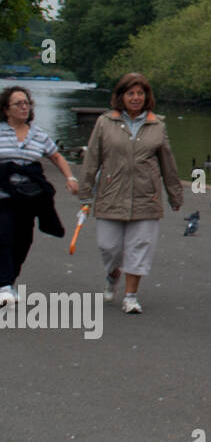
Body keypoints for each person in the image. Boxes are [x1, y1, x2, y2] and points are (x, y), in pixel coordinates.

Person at [78, 73, 183, 314]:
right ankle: (113, 273)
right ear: (121, 97)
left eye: (140, 93)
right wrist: (85, 194)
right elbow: (92, 158)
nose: (136, 98)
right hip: (111, 193)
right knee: (109, 247)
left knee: (140, 246)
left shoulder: (157, 124)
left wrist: (174, 195)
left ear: (146, 97)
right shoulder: (105, 122)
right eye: (130, 93)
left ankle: (131, 296)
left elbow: (168, 161)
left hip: (147, 196)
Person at [0, 87, 77, 306]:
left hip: (29, 197)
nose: (24, 107)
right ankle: (3, 285)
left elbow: (56, 156)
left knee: (23, 240)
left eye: (27, 103)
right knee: (3, 235)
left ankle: (8, 282)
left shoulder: (38, 134)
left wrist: (71, 179)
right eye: (18, 104)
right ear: (6, 109)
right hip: (3, 195)